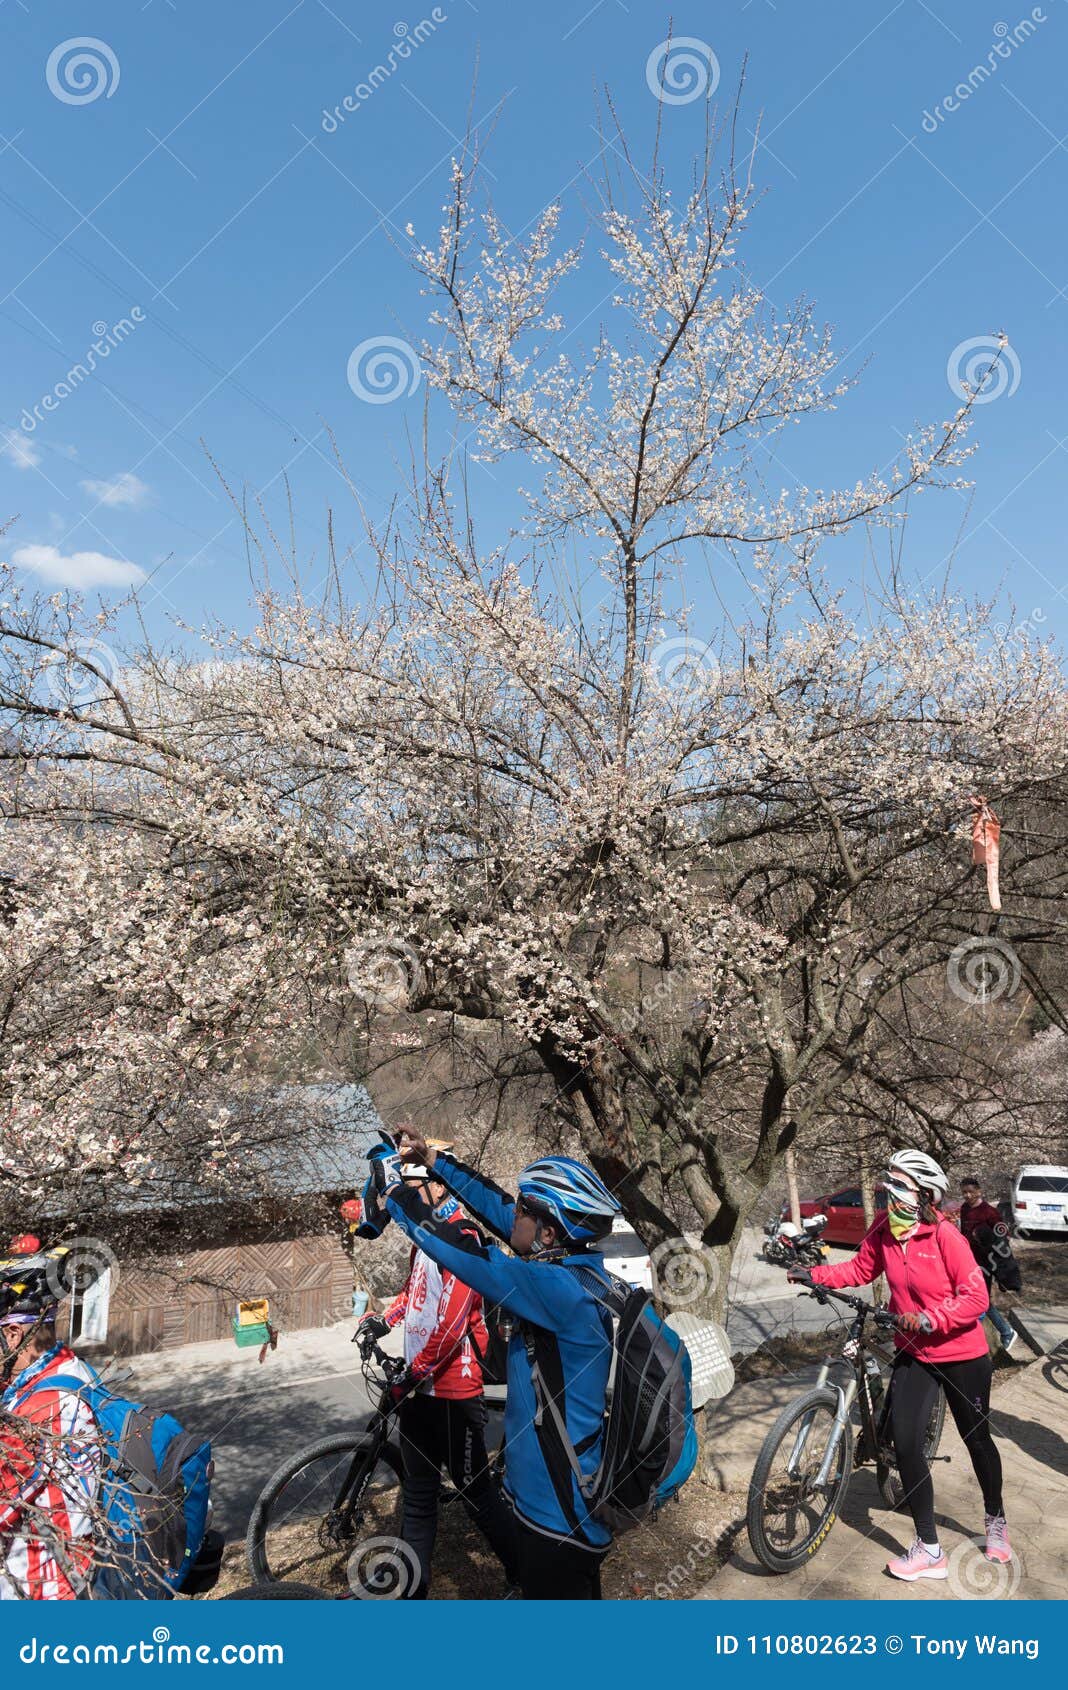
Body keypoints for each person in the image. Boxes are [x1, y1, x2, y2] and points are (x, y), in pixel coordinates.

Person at [374, 1133, 620, 1600]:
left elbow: (465, 1253)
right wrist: (434, 1160)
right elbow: (498, 1206)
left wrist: (397, 1194)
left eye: (525, 1208)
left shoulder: (555, 1289)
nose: (514, 1213)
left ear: (548, 1233)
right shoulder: (574, 1268)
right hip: (556, 1504)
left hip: (557, 1516)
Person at [791, 1148, 1010, 1581]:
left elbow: (975, 1298)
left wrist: (931, 1317)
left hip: (963, 1355)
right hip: (915, 1352)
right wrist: (814, 1275)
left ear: (923, 1194)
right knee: (906, 1445)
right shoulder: (885, 1231)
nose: (888, 1192)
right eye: (886, 1183)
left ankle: (995, 1519)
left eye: (898, 1185)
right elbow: (859, 1268)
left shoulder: (947, 1238)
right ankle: (930, 1549)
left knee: (976, 1439)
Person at [356, 1158, 519, 1599]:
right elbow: (414, 1293)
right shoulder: (423, 1239)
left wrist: (416, 1372)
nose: (401, 1198)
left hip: (452, 1389)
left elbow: (451, 1324)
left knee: (476, 1494)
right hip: (420, 1387)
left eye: (411, 1187)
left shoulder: (464, 1238)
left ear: (440, 1189)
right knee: (419, 1494)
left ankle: (526, 1574)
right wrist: (384, 1321)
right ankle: (412, 1593)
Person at [0, 1259, 100, 1600]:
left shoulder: (40, 1408)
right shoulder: (72, 1370)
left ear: (13, 1335)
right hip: (70, 1567)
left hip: (42, 1588)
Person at [958, 1176, 1019, 1356]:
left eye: (970, 1191)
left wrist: (988, 1245)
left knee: (980, 1300)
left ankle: (1003, 1332)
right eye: (964, 1192)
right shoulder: (964, 1209)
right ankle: (1005, 1332)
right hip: (970, 1260)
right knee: (980, 1299)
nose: (967, 1195)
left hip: (987, 1262)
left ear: (979, 1191)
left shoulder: (989, 1212)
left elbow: (1003, 1236)